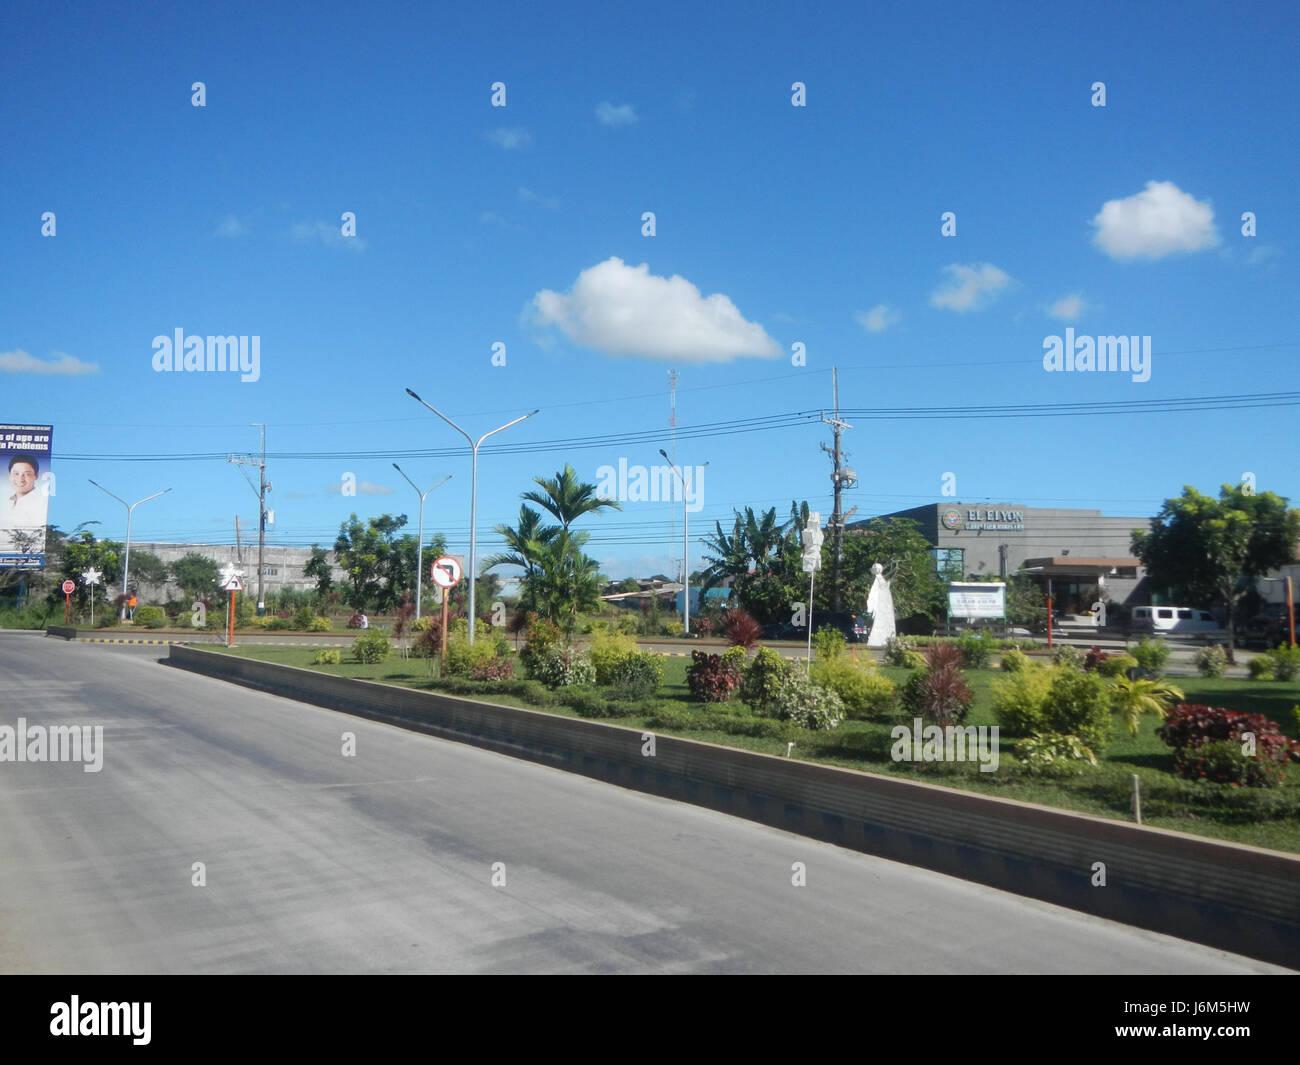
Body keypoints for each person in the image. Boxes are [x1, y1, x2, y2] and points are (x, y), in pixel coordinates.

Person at [1, 452, 49, 553]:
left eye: (27, 474)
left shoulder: (42, 504)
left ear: (36, 476)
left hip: (29, 558)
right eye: (16, 473)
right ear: (9, 475)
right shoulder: (6, 503)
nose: (20, 479)